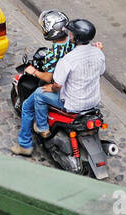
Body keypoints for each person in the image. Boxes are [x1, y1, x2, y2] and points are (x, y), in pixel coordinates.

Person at [12, 18, 105, 156]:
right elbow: (101, 72)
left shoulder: (67, 60)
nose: (69, 35)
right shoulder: (98, 53)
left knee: (36, 96)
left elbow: (56, 83)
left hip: (72, 103)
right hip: (93, 101)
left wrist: (52, 88)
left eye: (71, 34)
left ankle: (30, 139)